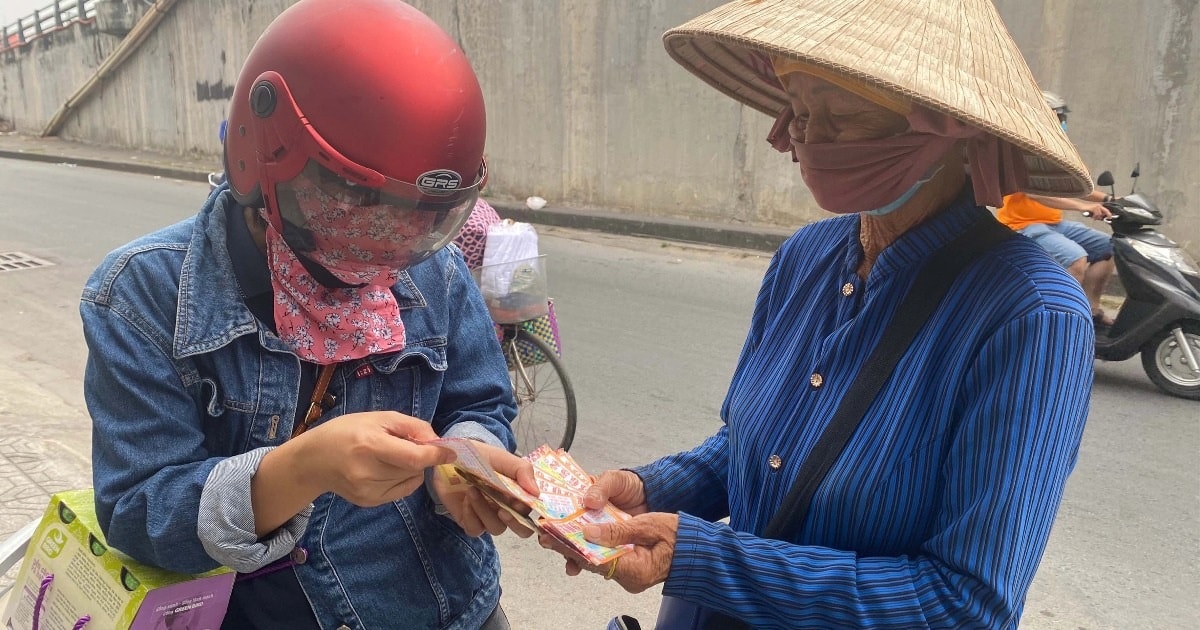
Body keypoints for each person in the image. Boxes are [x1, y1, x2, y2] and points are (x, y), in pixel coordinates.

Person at [540, 0, 1096, 628]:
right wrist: (648, 491)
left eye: (844, 114)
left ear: (947, 132)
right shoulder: (805, 257)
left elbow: (968, 603)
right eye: (800, 110)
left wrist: (707, 558)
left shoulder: (1030, 316)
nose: (806, 138)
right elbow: (752, 450)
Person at [80, 1, 536, 628]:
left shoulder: (433, 270)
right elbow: (137, 512)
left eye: (419, 222)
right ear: (263, 152)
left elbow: (479, 404)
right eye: (352, 200)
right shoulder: (140, 296)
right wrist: (297, 470)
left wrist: (467, 466)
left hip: (453, 610)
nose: (385, 248)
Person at [997, 92, 1118, 328]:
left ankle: (1091, 311)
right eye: (1058, 116)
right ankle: (1066, 322)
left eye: (1063, 117)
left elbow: (1074, 184)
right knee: (1076, 260)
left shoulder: (1055, 150)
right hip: (1023, 225)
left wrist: (1110, 198)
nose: (1062, 122)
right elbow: (1034, 191)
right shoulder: (1021, 148)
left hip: (1053, 224)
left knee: (1111, 247)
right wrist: (1083, 206)